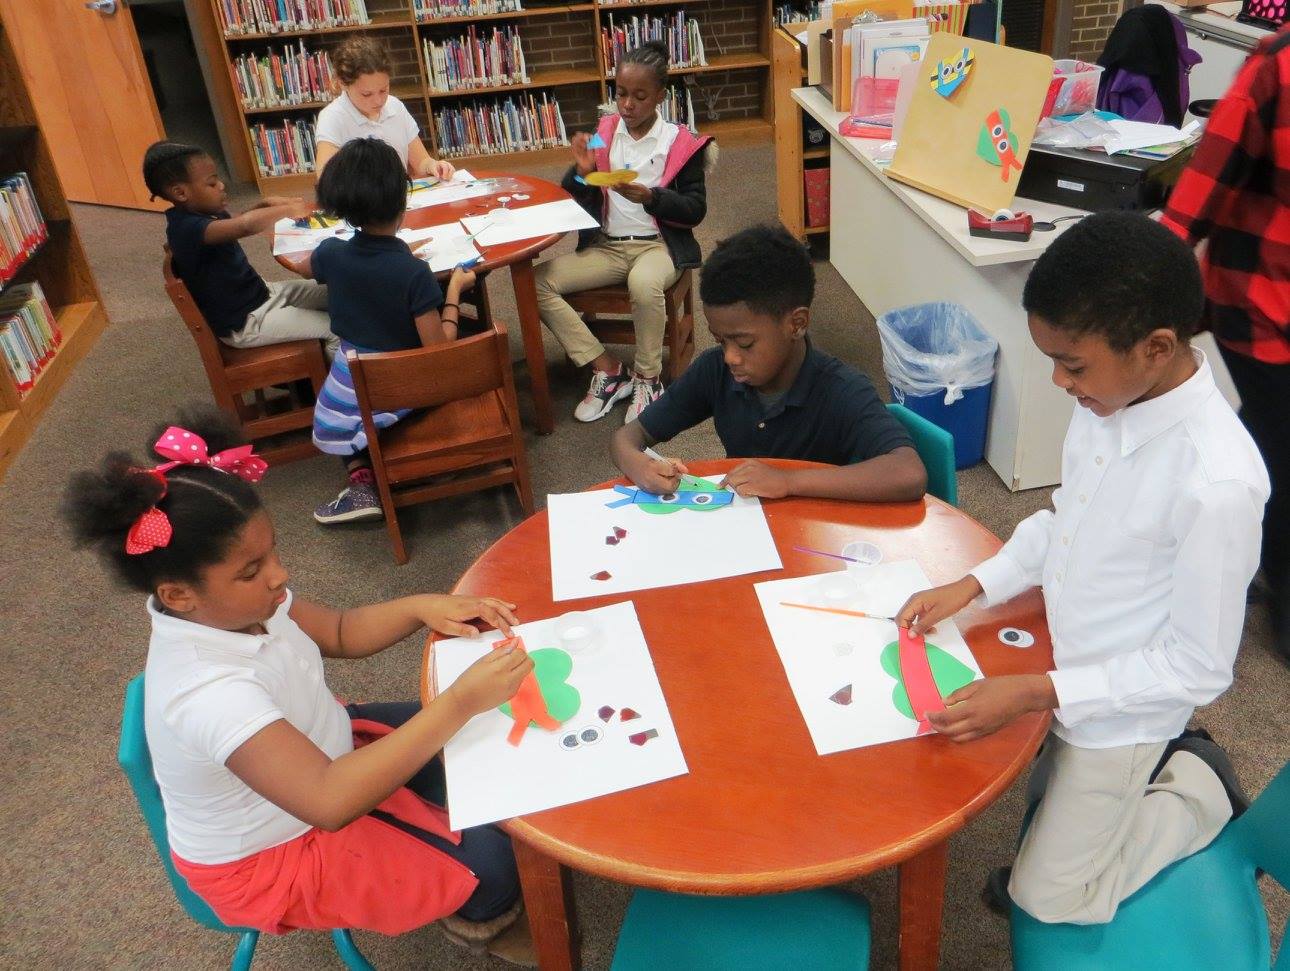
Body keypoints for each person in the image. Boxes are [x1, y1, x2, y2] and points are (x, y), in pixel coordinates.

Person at [895, 212, 1269, 926]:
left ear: (1156, 348)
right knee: (1047, 792)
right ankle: (1083, 825)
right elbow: (1067, 518)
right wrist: (974, 583)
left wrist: (1038, 690)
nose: (1059, 381)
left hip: (1124, 714)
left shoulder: (1218, 483)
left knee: (1047, 896)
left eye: (1073, 364)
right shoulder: (1110, 396)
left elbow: (1199, 667)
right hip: (1067, 664)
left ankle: (1197, 792)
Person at [62, 408, 535, 965]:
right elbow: (329, 802)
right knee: (495, 864)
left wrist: (418, 606)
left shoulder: (242, 606)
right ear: (178, 595)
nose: (279, 575)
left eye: (273, 552)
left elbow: (341, 631)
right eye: (251, 570)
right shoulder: (206, 692)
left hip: (317, 753)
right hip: (280, 842)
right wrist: (458, 703)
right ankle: (484, 922)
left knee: (485, 737)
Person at [611, 224, 927, 502]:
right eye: (720, 341)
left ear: (796, 324)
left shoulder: (841, 389)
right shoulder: (715, 371)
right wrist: (640, 466)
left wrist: (789, 481)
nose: (730, 357)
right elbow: (625, 438)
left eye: (745, 344)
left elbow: (908, 473)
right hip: (749, 525)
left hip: (816, 532)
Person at [1161, 23, 1290, 664]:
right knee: (1282, 453)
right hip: (1263, 301)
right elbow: (1201, 189)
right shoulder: (1279, 65)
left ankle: (1230, 549)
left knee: (1261, 441)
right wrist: (1141, 277)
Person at [535, 40, 715, 424]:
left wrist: (652, 197)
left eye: (639, 96)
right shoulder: (605, 131)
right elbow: (576, 192)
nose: (627, 105)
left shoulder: (680, 143)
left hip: (658, 247)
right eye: (620, 94)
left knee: (644, 283)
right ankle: (608, 369)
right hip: (609, 247)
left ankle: (648, 379)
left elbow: (695, 209)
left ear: (661, 96)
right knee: (535, 283)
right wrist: (582, 170)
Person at [303, 138, 476, 525]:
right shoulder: (413, 274)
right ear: (402, 200)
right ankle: (430, 458)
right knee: (450, 369)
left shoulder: (330, 253)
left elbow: (312, 267)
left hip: (352, 389)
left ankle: (361, 481)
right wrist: (453, 291)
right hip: (407, 390)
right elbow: (439, 351)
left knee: (349, 412)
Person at [144, 141, 337, 356]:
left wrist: (263, 205)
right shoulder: (185, 229)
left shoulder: (206, 213)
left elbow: (237, 221)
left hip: (262, 294)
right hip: (246, 321)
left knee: (341, 291)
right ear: (180, 193)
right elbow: (245, 225)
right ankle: (341, 377)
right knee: (336, 330)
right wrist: (289, 209)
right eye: (212, 183)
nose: (222, 186)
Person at [314, 37, 455, 181]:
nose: (378, 101)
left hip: (398, 193)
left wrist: (433, 165)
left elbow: (421, 162)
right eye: (366, 94)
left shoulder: (395, 106)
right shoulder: (332, 117)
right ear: (343, 84)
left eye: (383, 90)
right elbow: (326, 180)